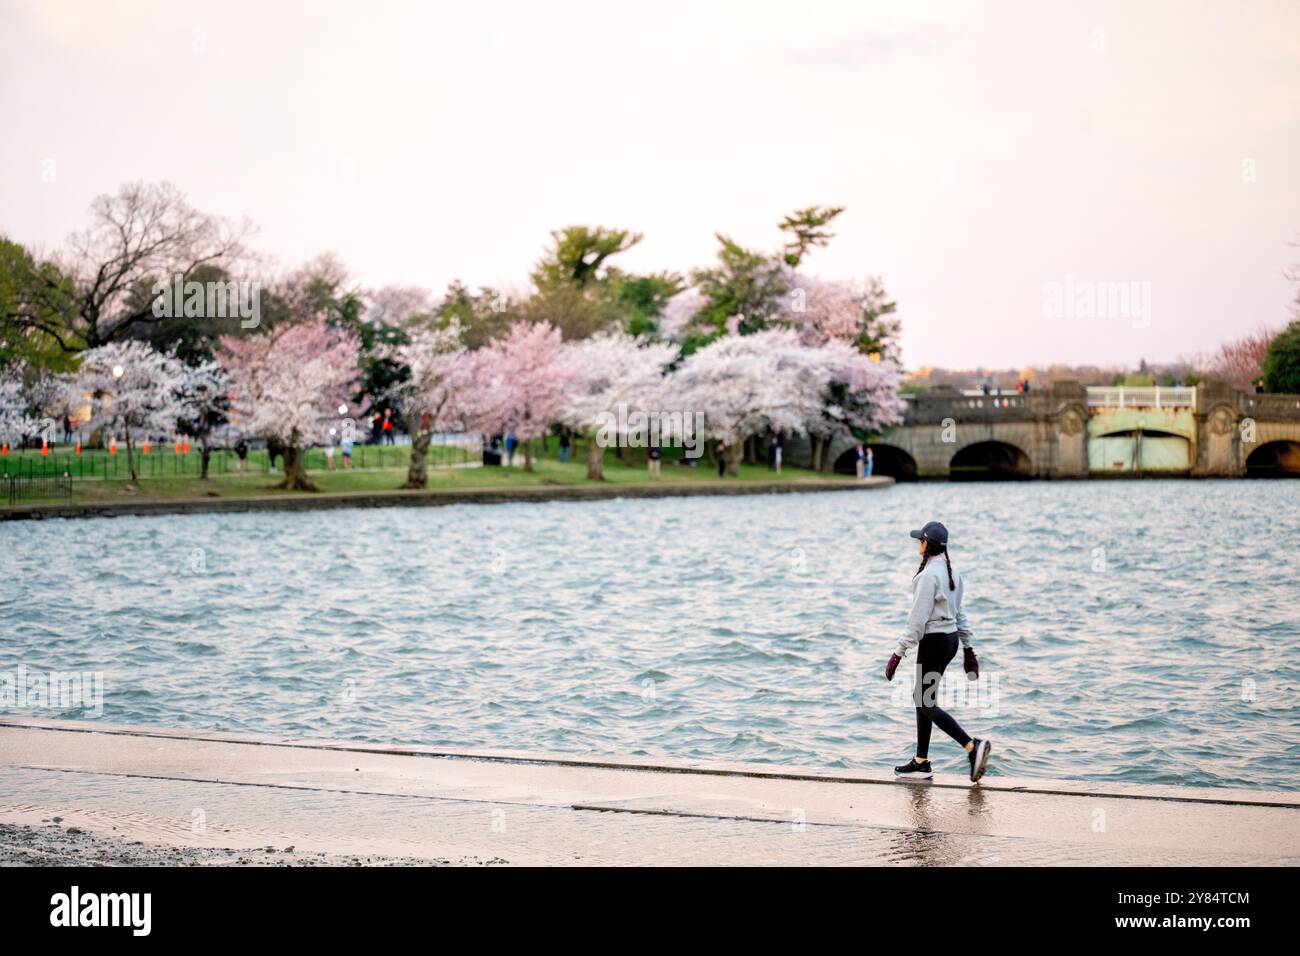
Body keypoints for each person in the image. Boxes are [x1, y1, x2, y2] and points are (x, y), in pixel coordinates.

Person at [884, 521, 992, 783]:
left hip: (934, 642)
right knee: (923, 698)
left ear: (926, 544)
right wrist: (968, 649)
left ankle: (972, 746)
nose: (917, 544)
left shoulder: (927, 576)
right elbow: (960, 614)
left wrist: (898, 653)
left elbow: (916, 621)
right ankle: (921, 763)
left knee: (924, 701)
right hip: (950, 641)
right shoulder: (953, 573)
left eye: (919, 540)